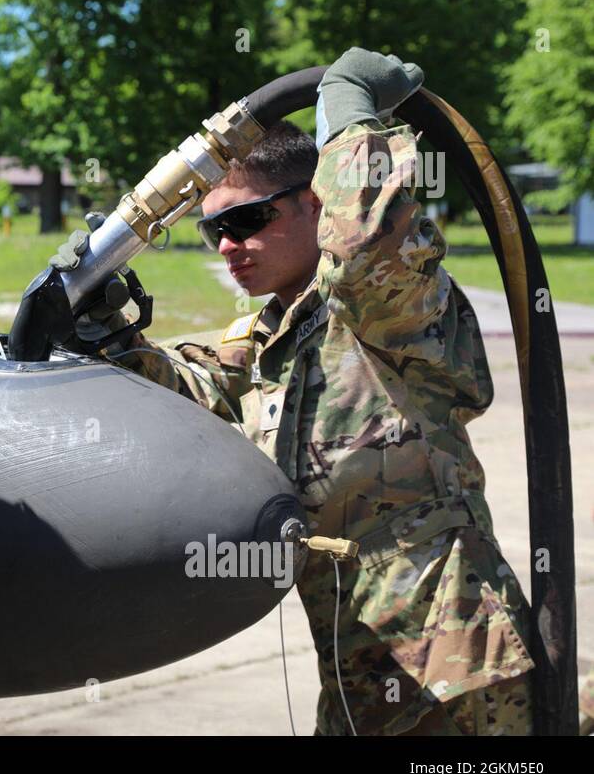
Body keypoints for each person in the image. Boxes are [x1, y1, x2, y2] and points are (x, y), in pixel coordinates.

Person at [55, 48, 535, 735]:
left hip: (455, 676)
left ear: (316, 203)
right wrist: (98, 327)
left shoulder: (386, 311)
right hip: (359, 674)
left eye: (245, 220)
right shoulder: (266, 340)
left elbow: (368, 249)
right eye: (212, 229)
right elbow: (182, 394)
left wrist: (346, 106)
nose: (226, 246)